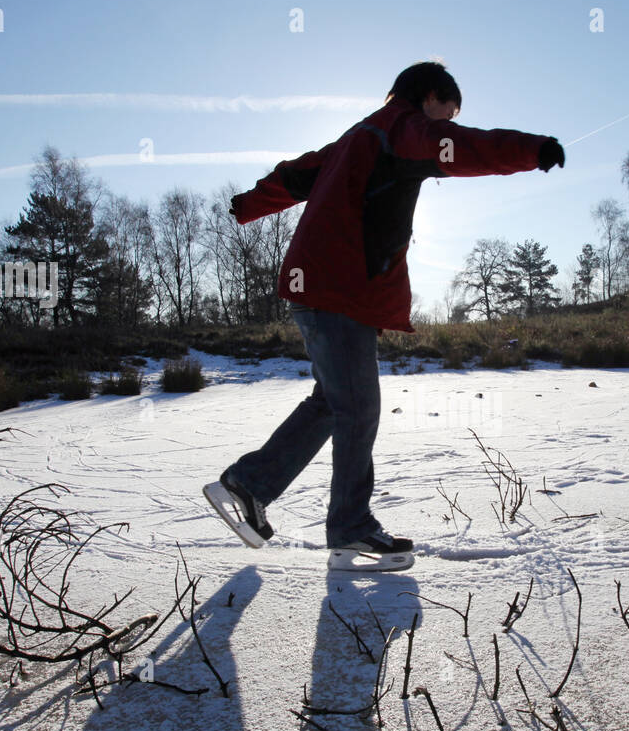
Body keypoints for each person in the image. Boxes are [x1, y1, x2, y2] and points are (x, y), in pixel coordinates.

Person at [213, 61, 564, 566]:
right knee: (358, 408)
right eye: (448, 111)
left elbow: (293, 176)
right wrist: (533, 149)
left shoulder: (357, 137)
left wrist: (248, 204)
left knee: (334, 402)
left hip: (318, 286)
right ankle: (349, 525)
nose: (447, 122)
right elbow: (464, 147)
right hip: (339, 290)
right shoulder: (402, 129)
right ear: (429, 98)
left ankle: (249, 485)